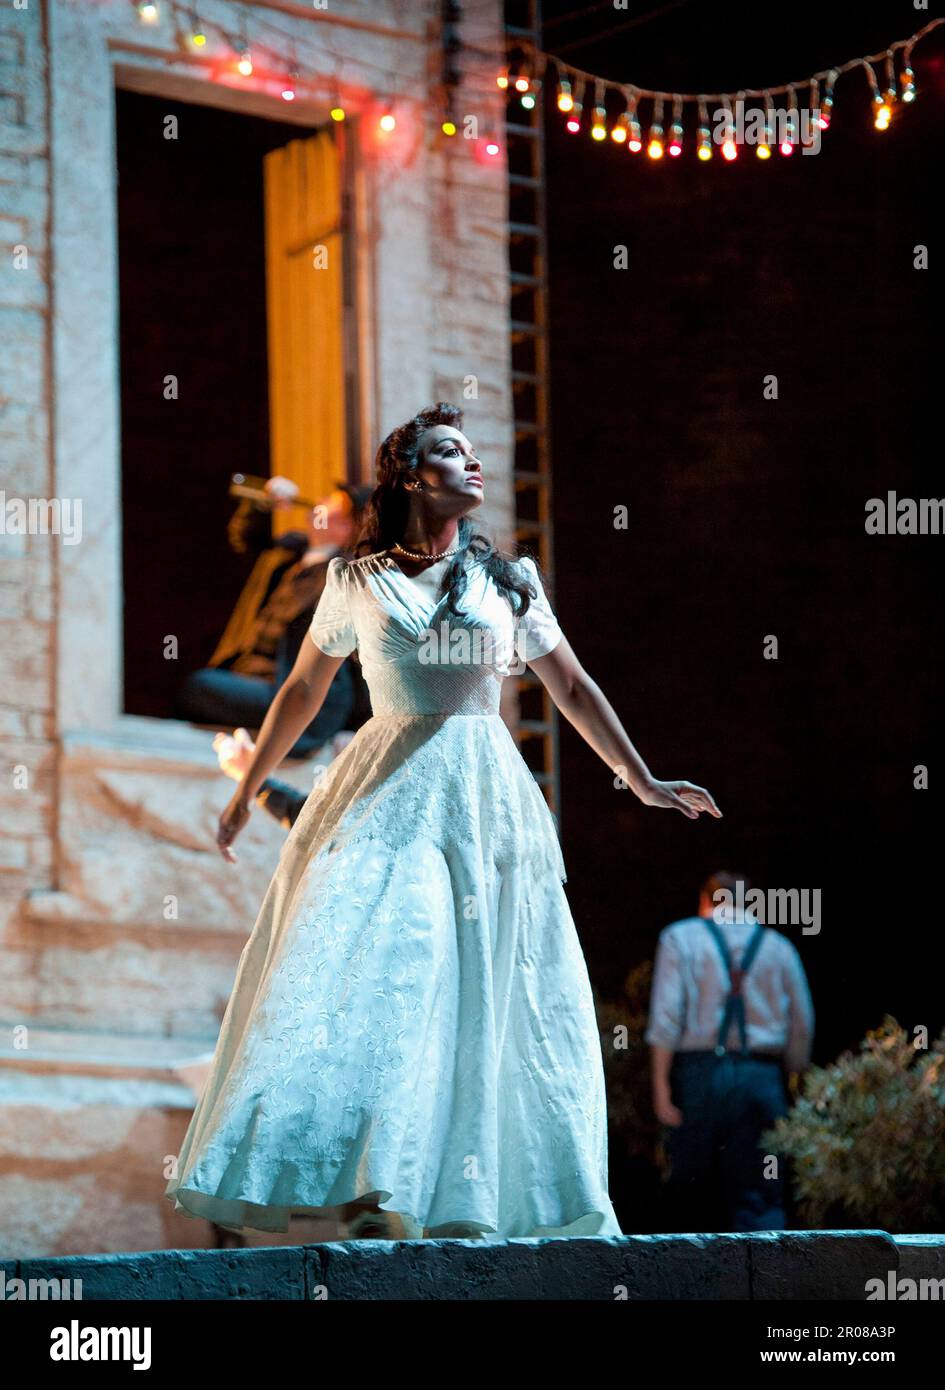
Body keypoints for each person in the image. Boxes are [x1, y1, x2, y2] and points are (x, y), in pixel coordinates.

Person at [164, 402, 721, 1241]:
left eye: (470, 451)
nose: (472, 463)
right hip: (389, 788)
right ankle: (379, 1179)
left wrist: (637, 777)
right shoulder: (354, 580)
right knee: (400, 962)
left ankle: (468, 1194)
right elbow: (305, 690)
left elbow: (569, 685)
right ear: (411, 476)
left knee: (487, 982)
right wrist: (249, 791)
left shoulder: (511, 580)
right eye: (448, 452)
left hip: (482, 795)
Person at [645, 870, 815, 1233]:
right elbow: (801, 1023)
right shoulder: (778, 946)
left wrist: (660, 1088)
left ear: (706, 901)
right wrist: (793, 1079)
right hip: (761, 1075)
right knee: (762, 1191)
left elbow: (666, 1017)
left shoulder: (679, 937)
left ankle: (690, 1278)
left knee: (691, 1189)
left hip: (701, 1074)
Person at [174, 479, 370, 759]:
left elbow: (361, 650)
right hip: (249, 676)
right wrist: (264, 503)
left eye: (330, 507)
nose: (318, 506)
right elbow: (245, 536)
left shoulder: (344, 576)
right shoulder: (288, 554)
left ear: (347, 528)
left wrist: (357, 726)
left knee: (199, 687)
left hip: (291, 695)